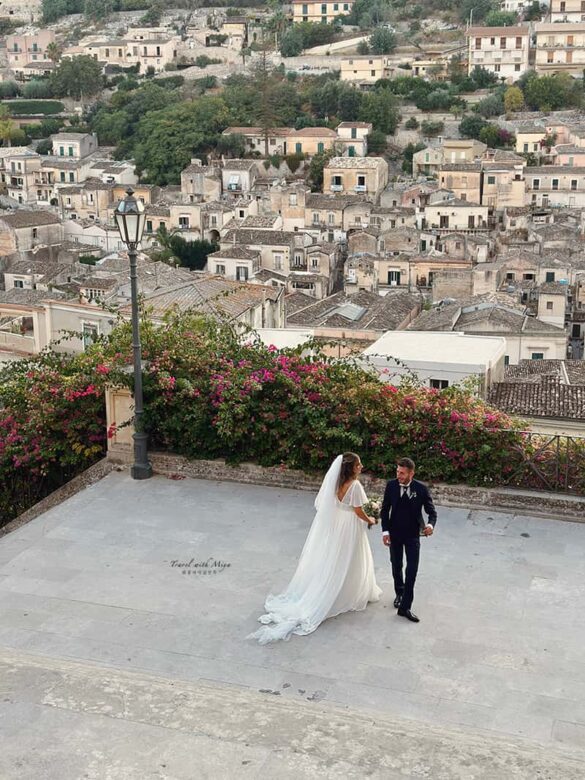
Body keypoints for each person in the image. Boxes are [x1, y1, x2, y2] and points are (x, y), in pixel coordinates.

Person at [248, 453, 382, 644]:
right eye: (358, 464)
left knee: (338, 557)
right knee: (351, 557)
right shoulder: (355, 486)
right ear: (351, 468)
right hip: (350, 526)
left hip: (338, 526)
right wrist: (371, 519)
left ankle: (340, 587)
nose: (361, 466)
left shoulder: (336, 483)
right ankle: (346, 593)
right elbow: (359, 510)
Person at [380, 457, 437, 624]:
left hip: (413, 535)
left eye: (402, 473)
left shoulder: (421, 489)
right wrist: (385, 531)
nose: (399, 475)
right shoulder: (391, 486)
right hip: (395, 533)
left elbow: (432, 512)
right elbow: (385, 510)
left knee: (412, 570)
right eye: (397, 472)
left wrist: (430, 525)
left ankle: (405, 607)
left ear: (411, 473)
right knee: (396, 565)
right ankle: (399, 592)